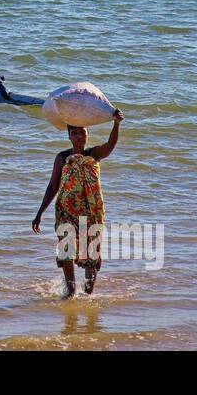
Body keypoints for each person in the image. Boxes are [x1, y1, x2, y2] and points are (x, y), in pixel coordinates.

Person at [32, 108, 123, 298]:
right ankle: (71, 290)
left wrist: (116, 123)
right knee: (66, 249)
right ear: (69, 137)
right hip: (66, 210)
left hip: (91, 212)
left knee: (91, 254)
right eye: (75, 133)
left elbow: (111, 145)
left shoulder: (94, 154)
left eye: (82, 132)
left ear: (88, 134)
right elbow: (53, 186)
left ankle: (89, 293)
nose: (79, 136)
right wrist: (40, 213)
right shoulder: (62, 158)